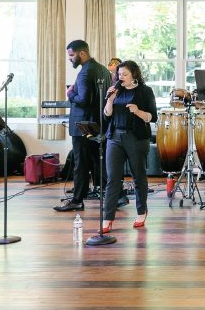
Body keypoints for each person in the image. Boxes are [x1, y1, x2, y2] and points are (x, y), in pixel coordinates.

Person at [55, 40, 111, 212]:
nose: (70, 59)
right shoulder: (102, 69)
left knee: (81, 164)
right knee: (98, 162)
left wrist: (70, 93)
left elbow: (84, 100)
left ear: (82, 53)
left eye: (72, 55)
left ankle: (77, 200)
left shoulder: (85, 72)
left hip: (83, 126)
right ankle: (111, 196)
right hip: (98, 123)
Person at [101, 60, 157, 232]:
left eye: (124, 74)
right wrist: (110, 100)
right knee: (112, 179)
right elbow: (106, 115)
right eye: (119, 75)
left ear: (134, 74)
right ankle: (107, 218)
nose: (121, 77)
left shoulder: (145, 91)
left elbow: (152, 117)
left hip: (136, 138)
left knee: (138, 176)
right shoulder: (116, 91)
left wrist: (138, 111)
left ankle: (141, 212)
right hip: (114, 137)